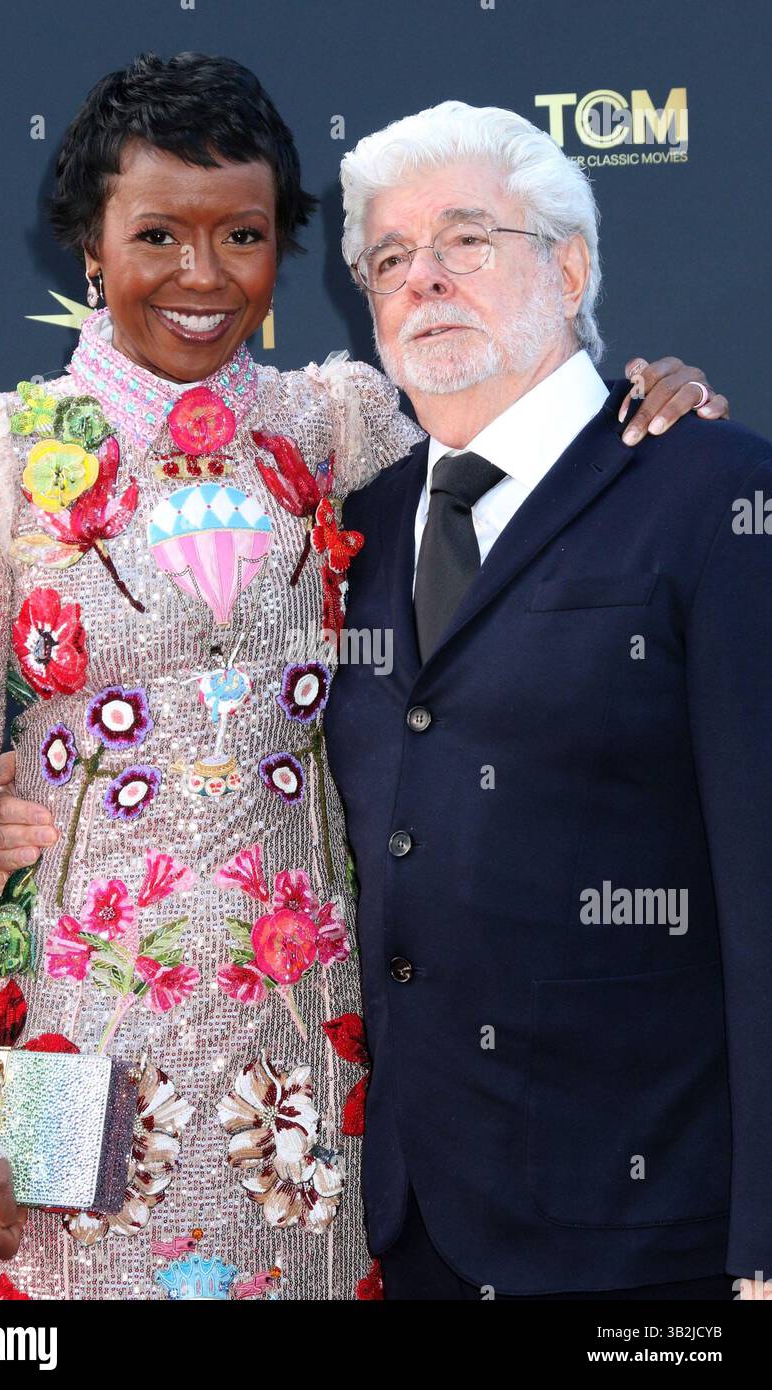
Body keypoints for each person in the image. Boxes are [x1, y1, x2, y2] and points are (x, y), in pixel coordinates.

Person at [0, 53, 722, 1302]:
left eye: (238, 236)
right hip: (69, 1039)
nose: (200, 276)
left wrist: (644, 397)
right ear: (90, 246)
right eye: (156, 236)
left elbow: (523, 465)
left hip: (312, 1046)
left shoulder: (338, 421)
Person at [321, 101, 772, 1299]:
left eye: (465, 239)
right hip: (416, 1229)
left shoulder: (713, 496)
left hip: (653, 1238)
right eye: (386, 260)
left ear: (567, 268)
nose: (421, 278)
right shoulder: (351, 535)